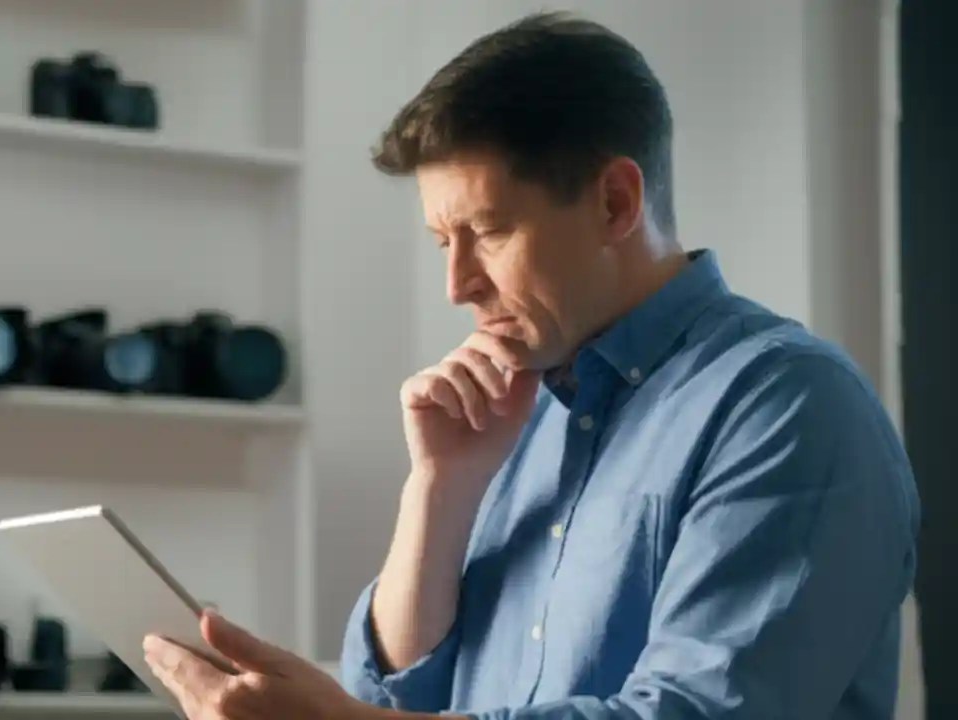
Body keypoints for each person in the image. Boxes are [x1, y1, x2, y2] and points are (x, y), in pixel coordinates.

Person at [142, 11, 921, 719]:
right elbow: (398, 694)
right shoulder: (507, 414)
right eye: (443, 243)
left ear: (615, 203)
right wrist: (439, 493)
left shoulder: (789, 407)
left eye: (489, 232)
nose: (458, 286)